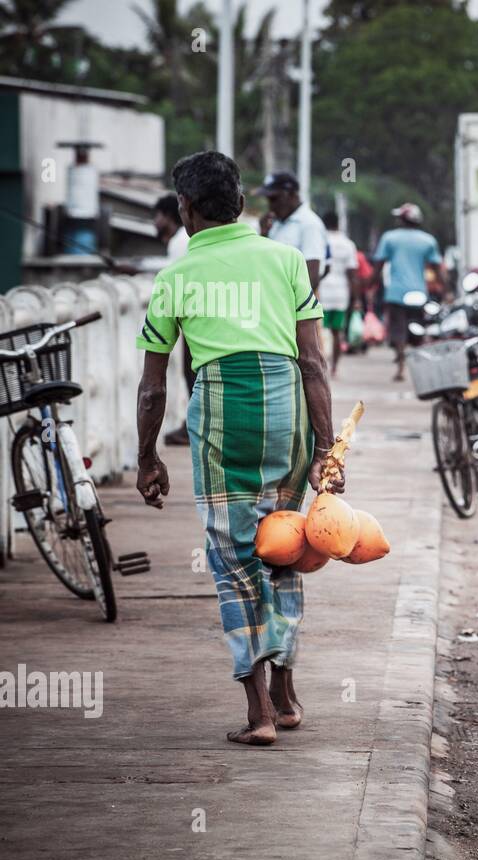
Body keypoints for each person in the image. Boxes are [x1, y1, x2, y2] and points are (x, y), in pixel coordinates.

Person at [133, 150, 342, 746]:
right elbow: (313, 362)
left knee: (232, 561)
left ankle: (258, 714)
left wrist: (148, 456)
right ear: (243, 205)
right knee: (284, 544)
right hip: (287, 415)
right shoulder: (285, 261)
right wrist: (326, 448)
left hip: (223, 415)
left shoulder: (174, 277)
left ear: (186, 209)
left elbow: (154, 387)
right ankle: (287, 692)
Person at [110, 194, 195, 445]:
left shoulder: (180, 242)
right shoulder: (182, 241)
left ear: (171, 215)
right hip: (192, 312)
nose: (155, 223)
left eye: (156, 217)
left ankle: (192, 425)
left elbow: (173, 273)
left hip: (187, 313)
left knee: (186, 372)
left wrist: (136, 269)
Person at [370, 202, 447, 381]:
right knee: (420, 329)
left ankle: (401, 368)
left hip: (396, 292)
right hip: (419, 292)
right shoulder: (428, 240)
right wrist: (445, 289)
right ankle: (422, 369)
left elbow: (378, 265)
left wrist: (371, 285)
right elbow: (437, 268)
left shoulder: (390, 238)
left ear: (402, 219)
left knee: (398, 330)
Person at [257, 171, 328, 291]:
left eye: (274, 199)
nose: (270, 206)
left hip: (290, 304)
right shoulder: (274, 224)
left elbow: (312, 276)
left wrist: (289, 306)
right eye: (268, 200)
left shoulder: (309, 224)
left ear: (291, 195)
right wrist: (264, 234)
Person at [318, 211, 360, 375]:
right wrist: (356, 299)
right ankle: (334, 367)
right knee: (337, 332)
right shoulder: (348, 244)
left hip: (322, 291)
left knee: (320, 332)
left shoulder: (321, 240)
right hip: (341, 294)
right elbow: (352, 275)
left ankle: (322, 367)